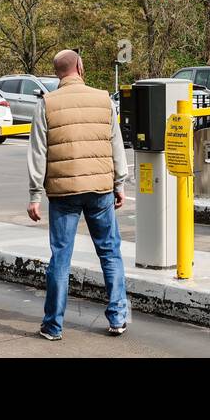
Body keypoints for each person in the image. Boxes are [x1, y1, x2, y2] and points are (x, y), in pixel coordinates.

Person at [27, 48, 128, 340]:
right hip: (100, 190)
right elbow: (115, 145)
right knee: (110, 252)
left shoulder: (46, 103)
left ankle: (53, 325)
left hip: (63, 193)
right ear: (80, 67)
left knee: (61, 256)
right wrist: (119, 183)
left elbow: (38, 152)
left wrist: (34, 194)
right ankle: (118, 318)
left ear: (58, 72)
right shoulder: (103, 99)